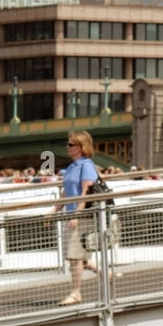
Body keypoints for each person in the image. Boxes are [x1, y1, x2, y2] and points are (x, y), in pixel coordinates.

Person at [57, 130, 102, 305]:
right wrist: (52, 211)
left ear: (81, 146)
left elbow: (86, 192)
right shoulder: (70, 167)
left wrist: (76, 214)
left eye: (71, 144)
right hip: (71, 215)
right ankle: (104, 272)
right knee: (77, 256)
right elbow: (65, 193)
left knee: (74, 256)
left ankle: (75, 293)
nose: (67, 147)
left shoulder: (86, 165)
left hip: (82, 216)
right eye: (67, 144)